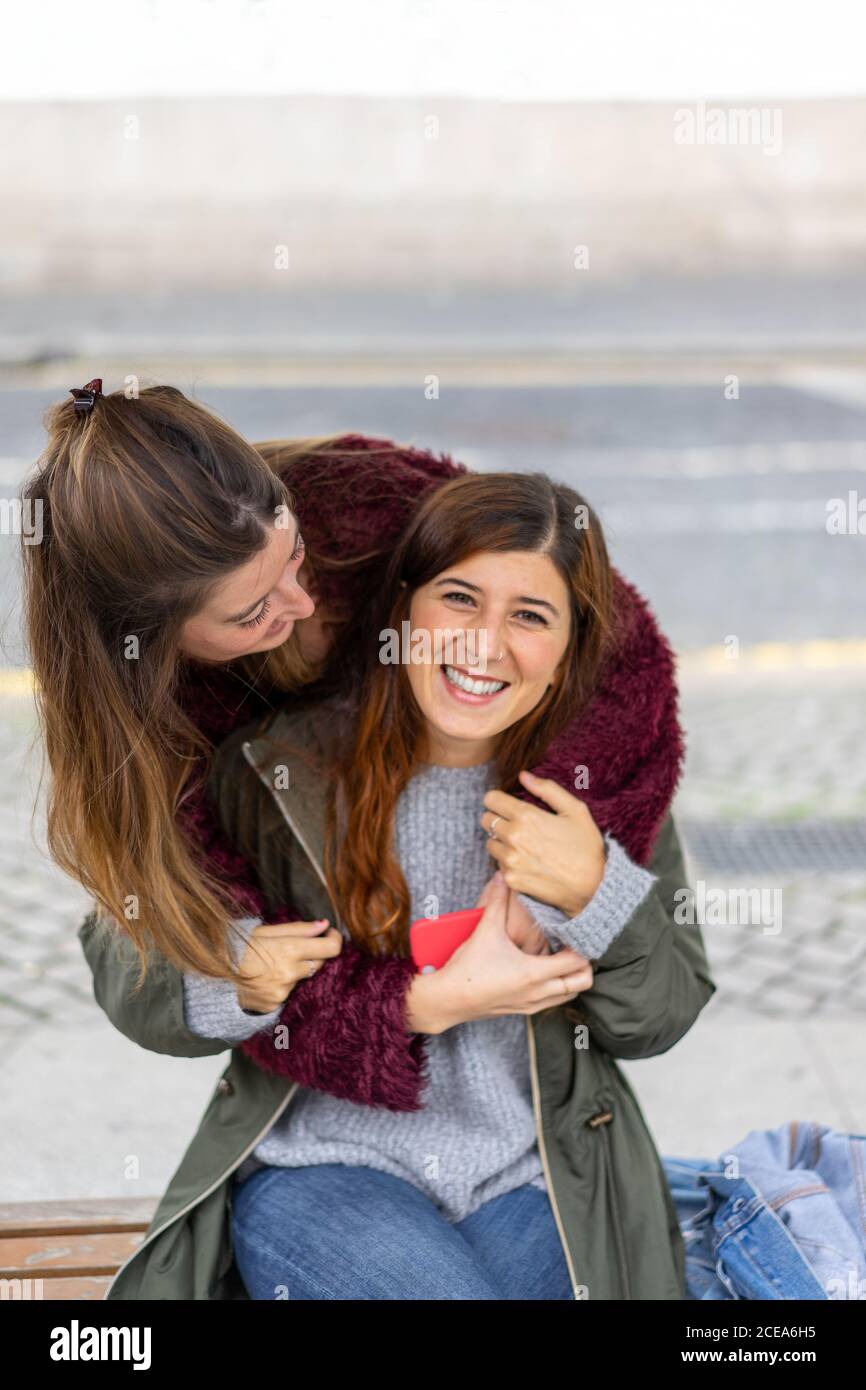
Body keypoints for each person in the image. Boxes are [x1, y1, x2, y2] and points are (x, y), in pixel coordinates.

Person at [92, 470, 715, 1300]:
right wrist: (236, 970)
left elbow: (662, 1015)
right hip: (325, 1168)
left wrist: (597, 892)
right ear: (402, 610)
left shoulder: (594, 800)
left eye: (530, 616)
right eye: (460, 599)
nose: (485, 645)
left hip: (539, 1179)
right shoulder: (278, 771)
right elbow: (127, 954)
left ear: (571, 649)